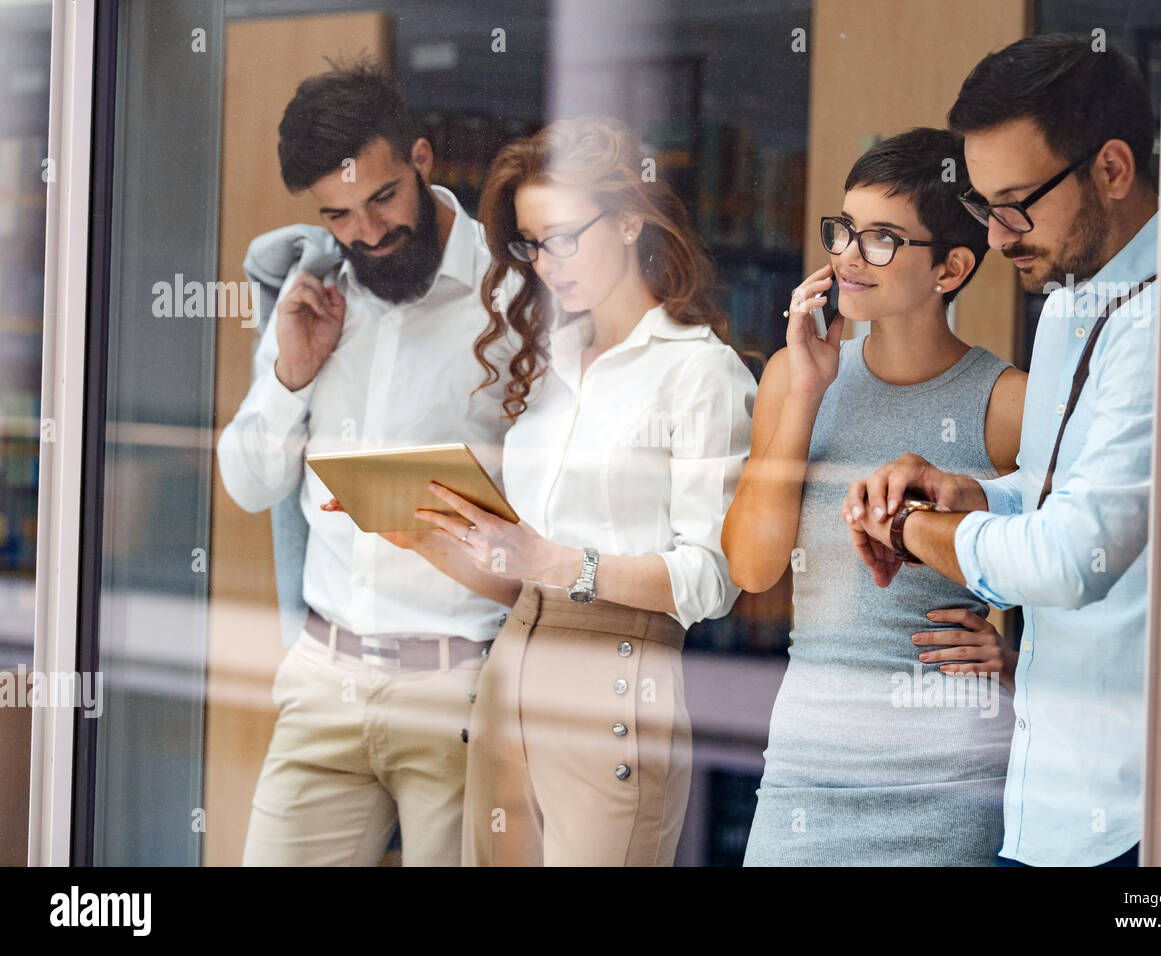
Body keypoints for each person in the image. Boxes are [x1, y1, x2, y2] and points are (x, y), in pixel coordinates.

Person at [371, 116, 757, 866]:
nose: (546, 263)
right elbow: (524, 575)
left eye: (564, 236)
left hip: (618, 679)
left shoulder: (699, 373)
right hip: (512, 670)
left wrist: (557, 563)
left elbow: (712, 581)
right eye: (529, 242)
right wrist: (416, 528)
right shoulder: (551, 365)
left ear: (628, 221)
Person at [846, 35, 1160, 868]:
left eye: (1016, 203)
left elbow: (1068, 556)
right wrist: (970, 495)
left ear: (1113, 169)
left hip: (1134, 812)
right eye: (984, 207)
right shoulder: (1067, 306)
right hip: (1045, 795)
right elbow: (1052, 490)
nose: (996, 235)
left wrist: (911, 531)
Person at [217, 61, 519, 866]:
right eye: (339, 214)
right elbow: (249, 485)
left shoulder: (514, 297)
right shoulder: (313, 296)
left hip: (459, 687)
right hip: (324, 677)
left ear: (422, 158)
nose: (369, 231)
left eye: (382, 197)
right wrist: (290, 375)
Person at [723, 128, 1025, 865]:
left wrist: (1018, 660)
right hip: (808, 767)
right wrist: (803, 391)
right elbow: (752, 570)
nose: (848, 257)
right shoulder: (791, 381)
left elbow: (1078, 565)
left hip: (950, 776)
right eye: (845, 231)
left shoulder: (1009, 403)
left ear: (951, 267)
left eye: (883, 239)